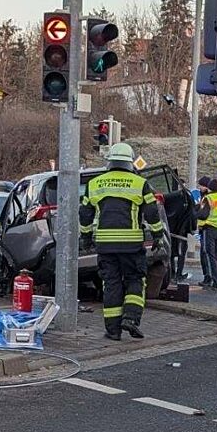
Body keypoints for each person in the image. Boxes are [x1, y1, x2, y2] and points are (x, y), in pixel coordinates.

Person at [80, 142, 165, 341]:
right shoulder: (140, 183)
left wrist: (85, 237)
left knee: (111, 284)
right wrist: (158, 235)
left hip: (105, 245)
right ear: (130, 162)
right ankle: (131, 318)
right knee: (135, 280)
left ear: (110, 161)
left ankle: (113, 330)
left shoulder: (95, 184)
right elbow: (152, 212)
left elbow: (85, 213)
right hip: (131, 245)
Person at [196, 177, 217, 290]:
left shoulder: (208, 198)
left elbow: (203, 215)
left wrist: (196, 212)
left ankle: (212, 280)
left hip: (208, 229)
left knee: (208, 255)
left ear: (209, 188)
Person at [169, 169, 196, 283]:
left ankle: (173, 274)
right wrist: (192, 228)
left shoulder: (172, 198)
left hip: (173, 231)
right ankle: (177, 274)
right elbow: (192, 214)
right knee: (179, 254)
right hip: (180, 232)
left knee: (172, 253)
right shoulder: (186, 198)